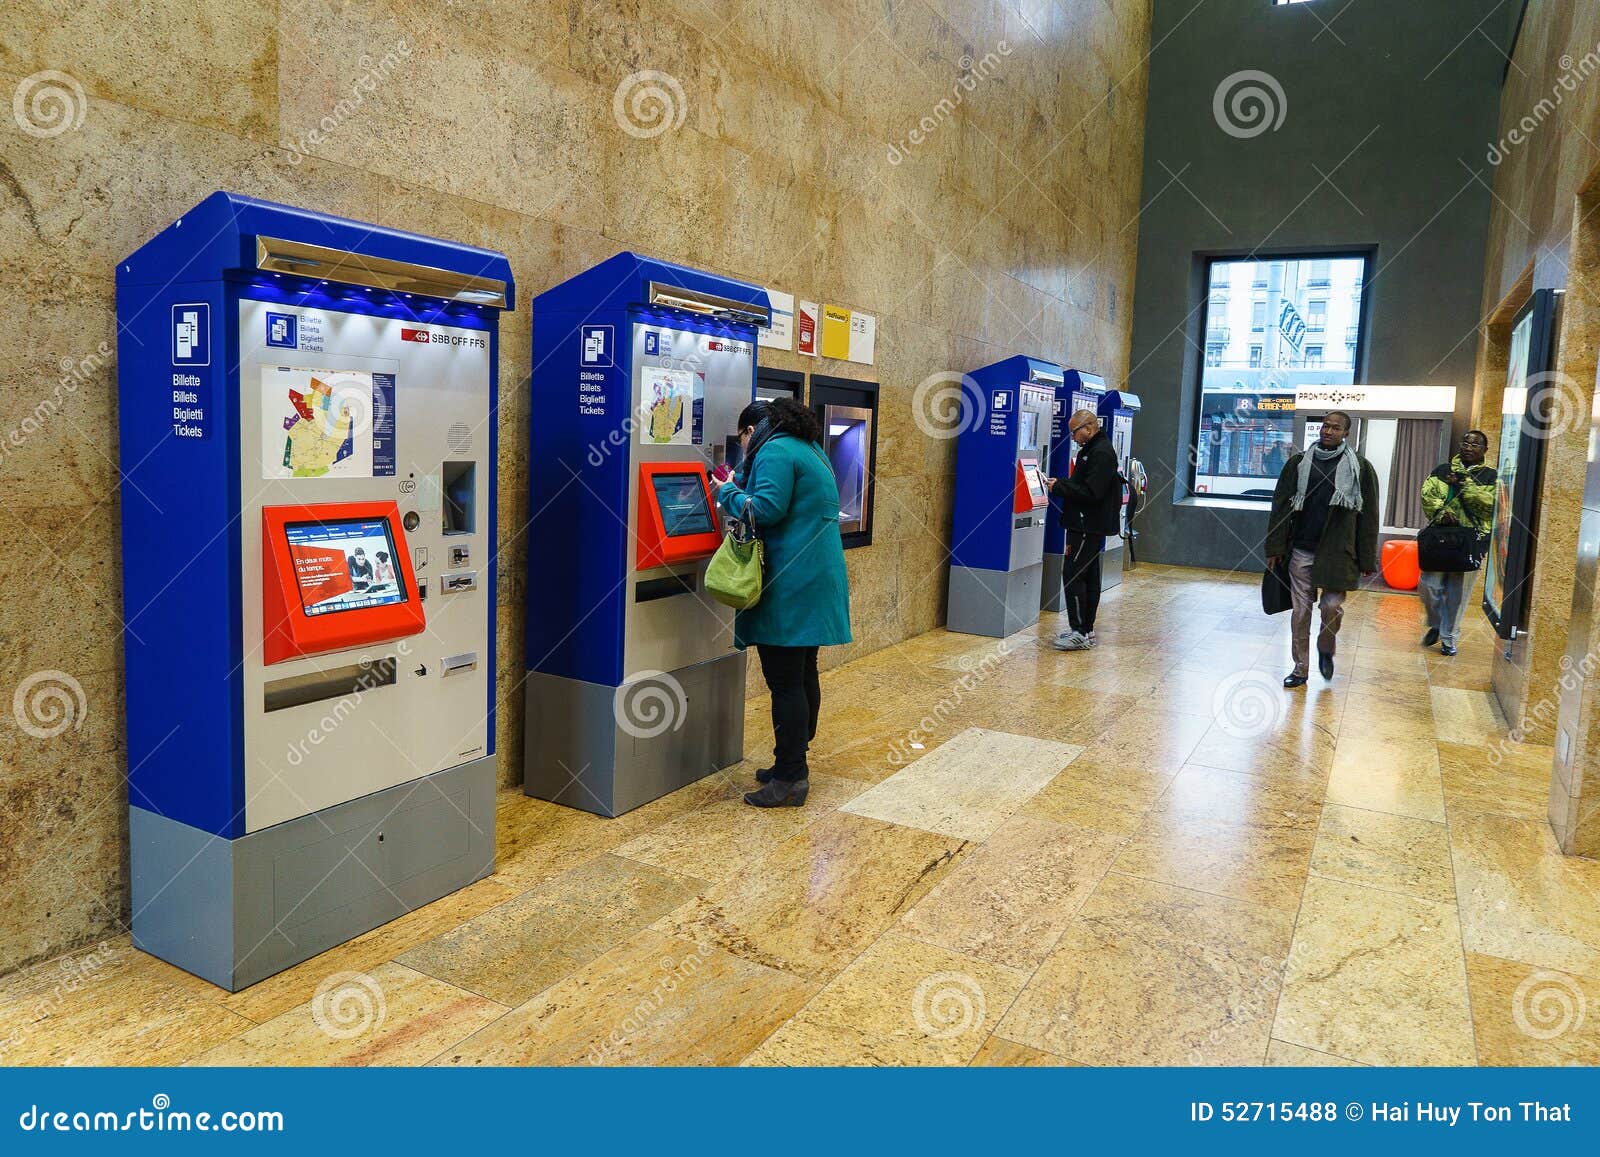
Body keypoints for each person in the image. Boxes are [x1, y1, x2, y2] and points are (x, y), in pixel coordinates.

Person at [711, 397, 851, 807]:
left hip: (793, 581)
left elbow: (765, 510)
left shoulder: (773, 450)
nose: (744, 448)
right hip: (816, 576)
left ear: (753, 431)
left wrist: (728, 493)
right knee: (803, 670)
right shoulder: (808, 447)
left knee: (785, 681)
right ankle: (789, 759)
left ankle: (791, 778)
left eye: (743, 440)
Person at [1265, 410, 1379, 687]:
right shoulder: (1298, 463)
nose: (1328, 431)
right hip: (1301, 548)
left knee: (1331, 608)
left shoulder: (1360, 468)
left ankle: (1325, 648)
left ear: (1346, 434)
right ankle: (1300, 668)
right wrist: (1275, 546)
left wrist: (1366, 558)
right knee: (1301, 611)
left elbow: (1369, 516)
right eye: (1325, 426)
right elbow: (1280, 505)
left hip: (1339, 552)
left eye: (1335, 428)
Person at [1042, 409, 1123, 651]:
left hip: (1087, 524)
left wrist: (1059, 487)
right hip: (1085, 522)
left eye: (1075, 432)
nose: (1073, 437)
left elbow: (1091, 492)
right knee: (1087, 576)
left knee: (1073, 573)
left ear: (1088, 427)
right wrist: (1064, 484)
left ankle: (1079, 631)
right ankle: (1085, 630)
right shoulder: (1093, 450)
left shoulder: (1101, 452)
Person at [1418, 430, 1495, 657]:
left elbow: (1490, 505)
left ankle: (1448, 639)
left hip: (1472, 542)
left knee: (1458, 594)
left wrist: (1463, 484)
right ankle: (1435, 621)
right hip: (1440, 538)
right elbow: (1427, 495)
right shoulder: (1442, 470)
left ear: (1484, 450)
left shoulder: (1492, 476)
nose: (1469, 447)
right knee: (1428, 586)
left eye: (1475, 444)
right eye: (1466, 442)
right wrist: (1441, 512)